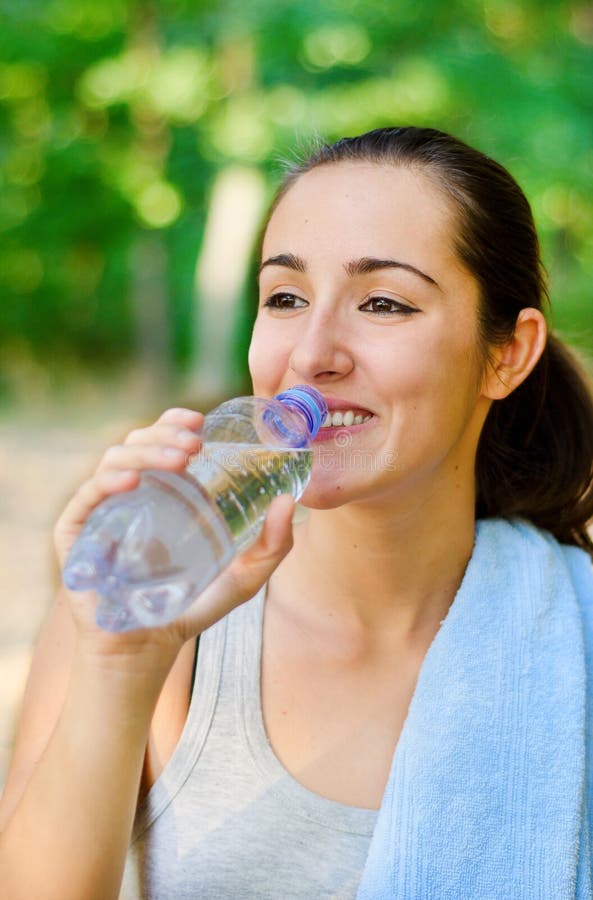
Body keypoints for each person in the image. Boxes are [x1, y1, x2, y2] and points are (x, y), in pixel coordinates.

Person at [1, 126, 592, 899]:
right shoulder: (143, 603)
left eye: (382, 303)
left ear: (506, 354)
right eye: (284, 298)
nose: (311, 354)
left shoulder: (573, 634)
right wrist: (120, 662)